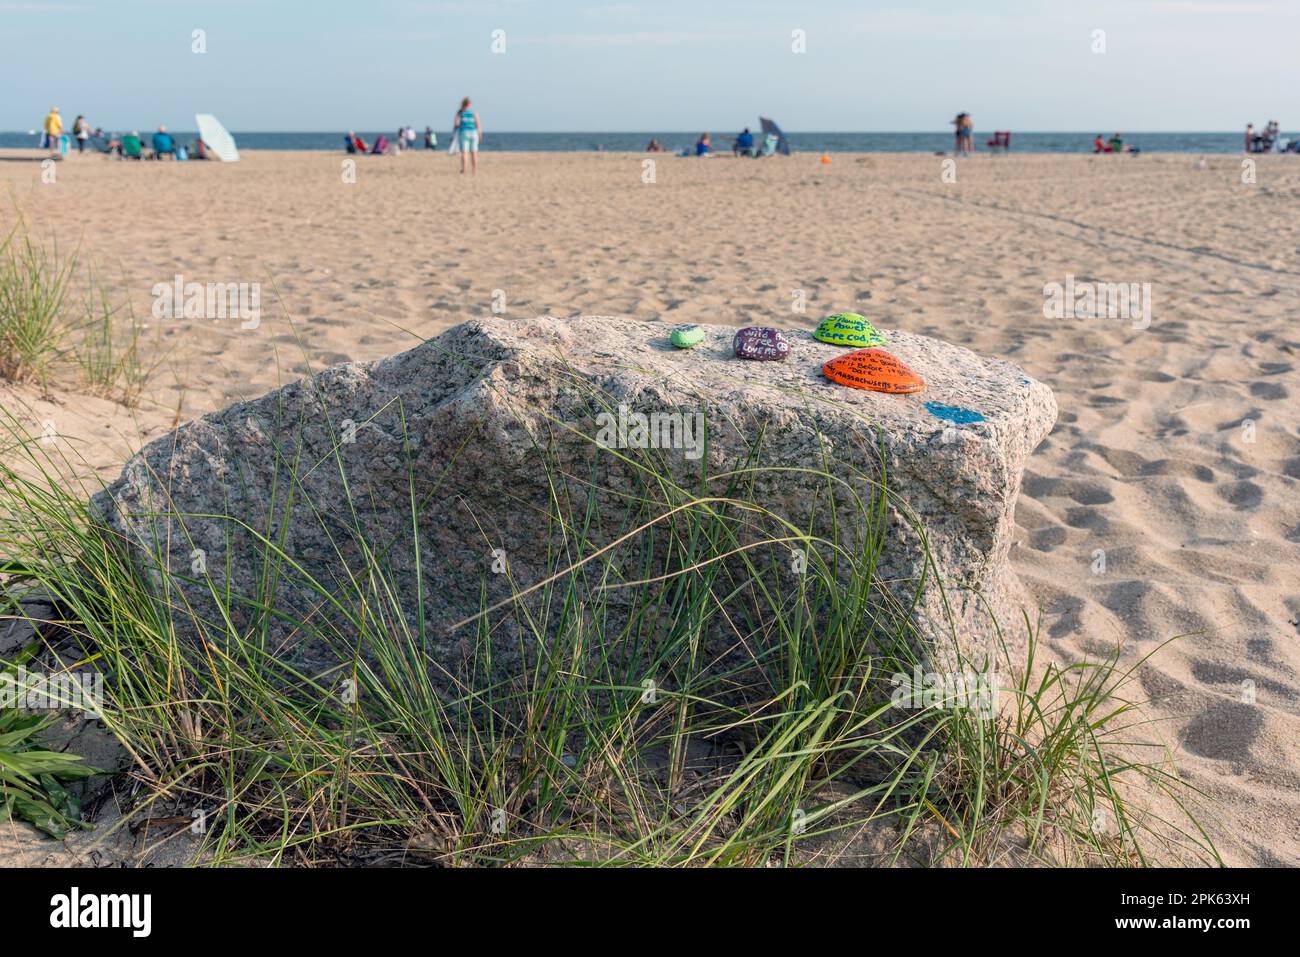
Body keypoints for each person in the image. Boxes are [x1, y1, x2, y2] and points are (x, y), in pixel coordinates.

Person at [453, 97, 481, 174]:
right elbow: (478, 125)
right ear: (469, 104)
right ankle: (475, 171)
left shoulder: (460, 113)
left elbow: (457, 124)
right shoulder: (474, 113)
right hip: (474, 133)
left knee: (465, 153)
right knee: (474, 153)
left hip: (464, 132)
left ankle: (464, 170)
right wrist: (480, 135)